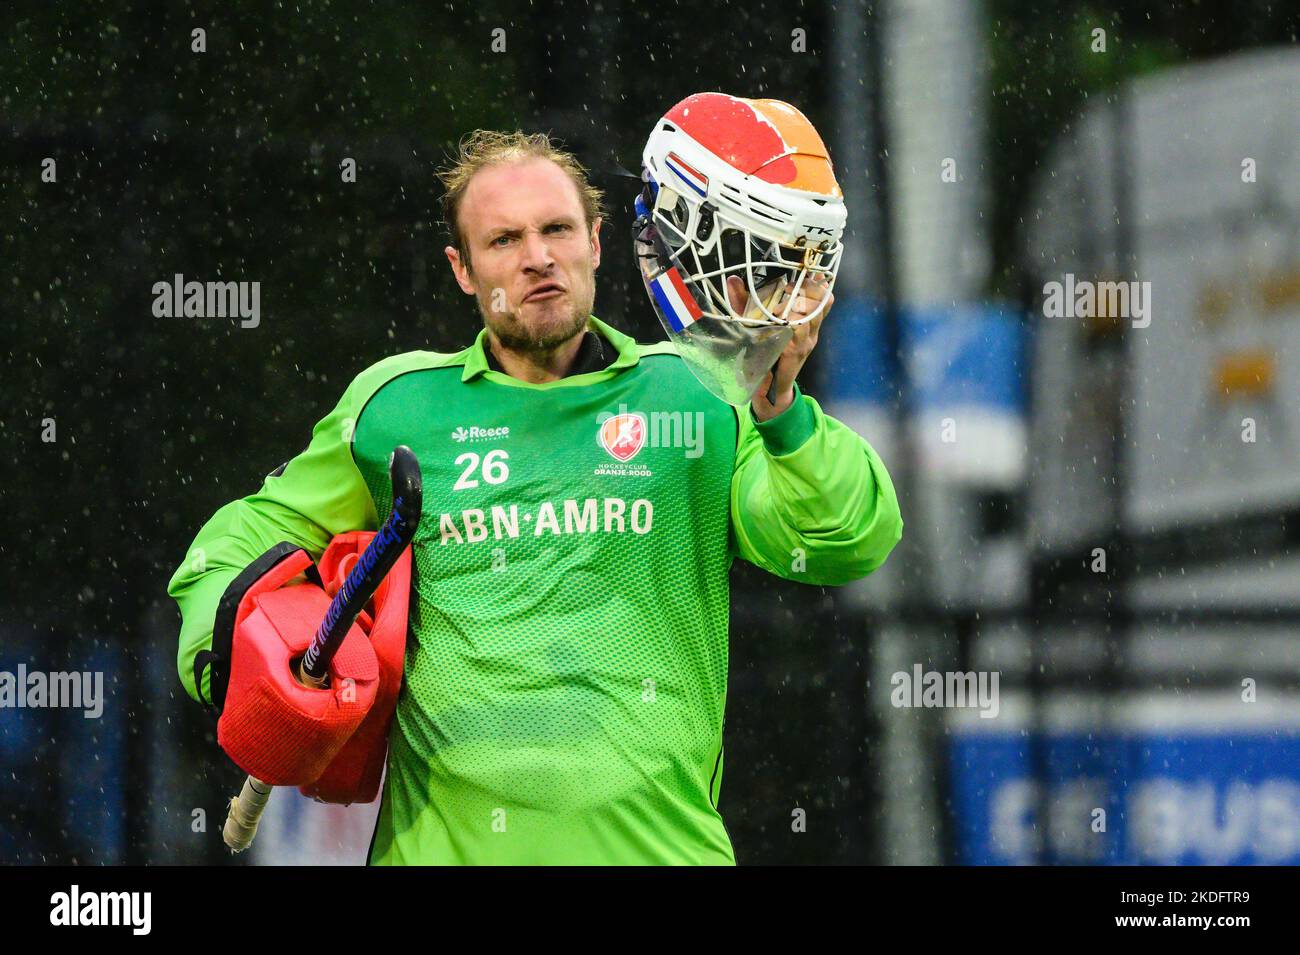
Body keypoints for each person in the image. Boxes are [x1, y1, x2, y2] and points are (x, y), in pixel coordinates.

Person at [169, 110, 902, 865]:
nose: (537, 258)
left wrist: (780, 412)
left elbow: (841, 543)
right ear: (463, 270)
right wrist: (231, 649)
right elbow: (236, 546)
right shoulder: (395, 405)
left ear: (597, 242)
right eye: (504, 240)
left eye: (556, 229)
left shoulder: (702, 395)